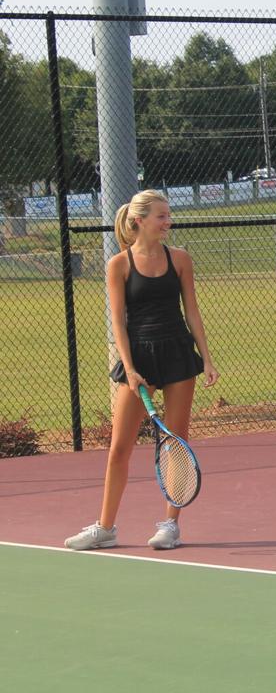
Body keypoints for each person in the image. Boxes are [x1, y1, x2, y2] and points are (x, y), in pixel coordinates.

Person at [65, 190, 219, 551]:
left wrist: (206, 358)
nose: (168, 222)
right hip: (138, 361)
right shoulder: (118, 264)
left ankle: (170, 525)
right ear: (139, 221)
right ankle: (105, 528)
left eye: (168, 216)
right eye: (161, 217)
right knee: (119, 448)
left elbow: (192, 312)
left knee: (176, 444)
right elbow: (118, 321)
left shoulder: (180, 259)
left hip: (179, 355)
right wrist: (130, 370)